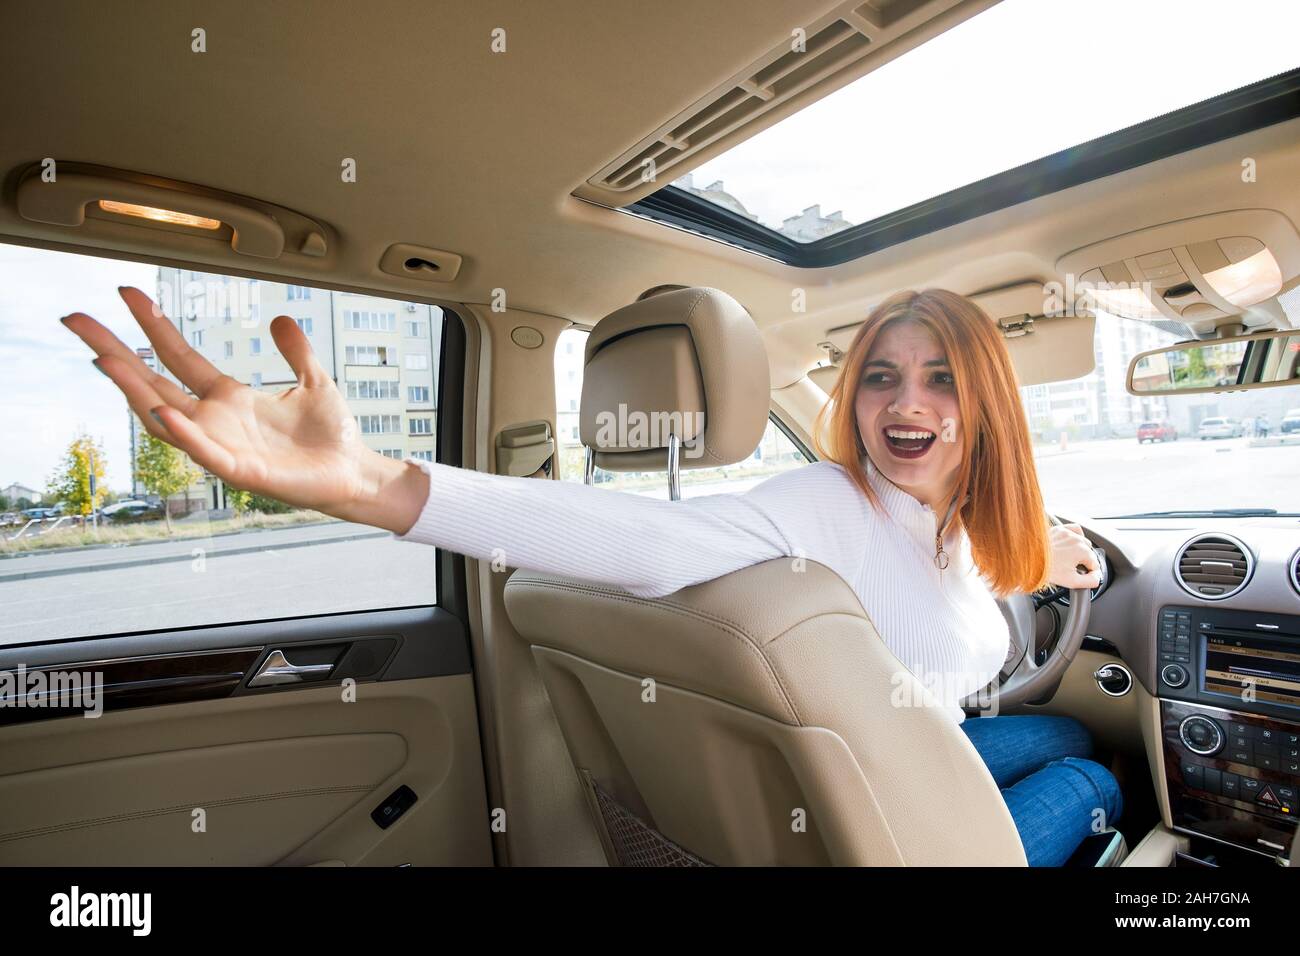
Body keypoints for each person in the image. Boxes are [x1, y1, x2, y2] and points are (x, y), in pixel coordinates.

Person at [62, 285, 1117, 866]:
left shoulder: (943, 526)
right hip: (897, 823)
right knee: (1095, 771)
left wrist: (1041, 562)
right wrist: (371, 482)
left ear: (984, 404)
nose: (905, 400)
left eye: (939, 377)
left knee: (1065, 726)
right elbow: (644, 541)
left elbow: (955, 582)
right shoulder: (825, 502)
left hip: (913, 750)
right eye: (881, 374)